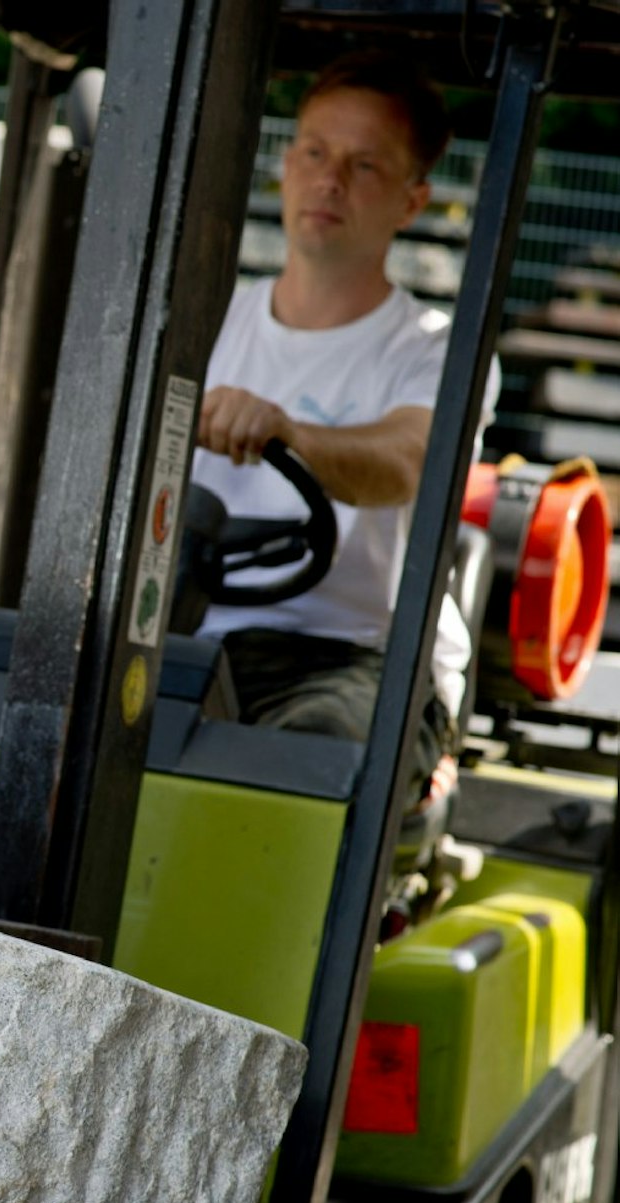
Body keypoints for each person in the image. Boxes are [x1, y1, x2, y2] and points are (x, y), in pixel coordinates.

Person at [191, 49, 497, 815]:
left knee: (306, 770)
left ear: (412, 200)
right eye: (317, 153)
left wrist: (290, 435)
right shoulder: (206, 317)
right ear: (288, 164)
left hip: (347, 659)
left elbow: (407, 461)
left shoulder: (436, 352)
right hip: (189, 637)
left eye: (364, 166)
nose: (329, 180)